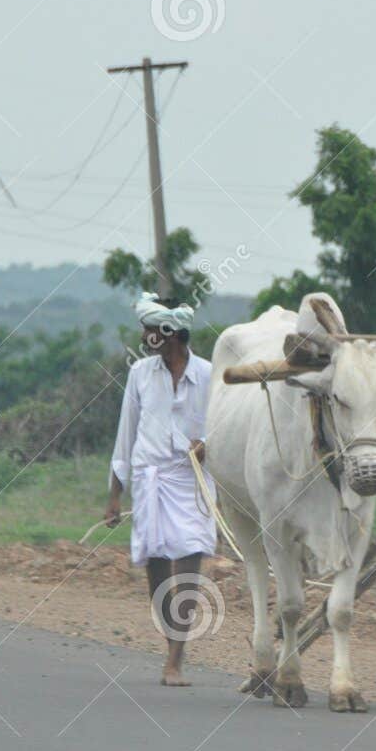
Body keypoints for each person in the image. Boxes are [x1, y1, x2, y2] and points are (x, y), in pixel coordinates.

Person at [105, 293, 216, 686]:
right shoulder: (139, 374)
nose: (144, 336)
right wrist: (115, 496)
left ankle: (176, 657)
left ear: (169, 333)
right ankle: (171, 639)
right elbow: (126, 434)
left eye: (150, 330)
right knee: (155, 566)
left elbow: (220, 425)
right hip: (148, 478)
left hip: (190, 481)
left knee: (188, 554)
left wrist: (208, 444)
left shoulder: (208, 373)